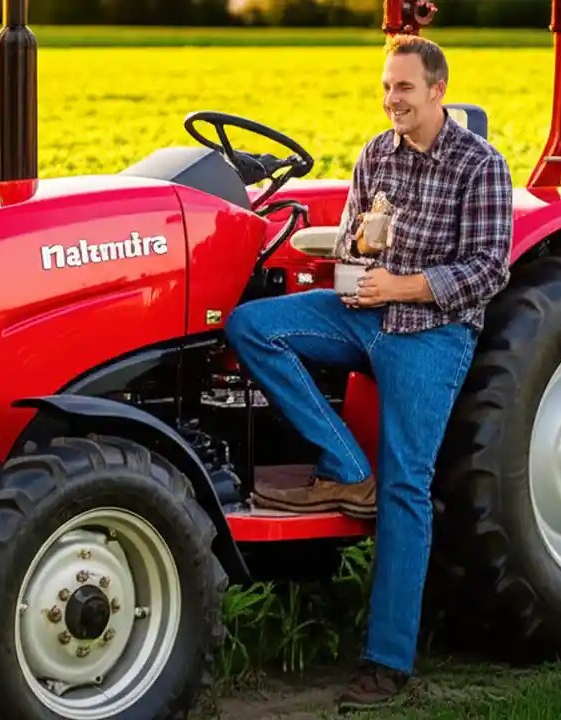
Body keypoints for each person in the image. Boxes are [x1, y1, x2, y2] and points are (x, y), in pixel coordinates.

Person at [223, 34, 513, 712]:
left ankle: (386, 662)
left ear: (437, 91)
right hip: (365, 310)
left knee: (407, 485)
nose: (391, 101)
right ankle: (345, 467)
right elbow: (354, 237)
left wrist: (400, 287)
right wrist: (352, 267)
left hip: (432, 330)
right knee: (251, 326)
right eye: (386, 88)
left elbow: (487, 271)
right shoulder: (375, 155)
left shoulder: (480, 164)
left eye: (403, 88)